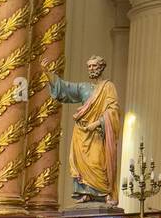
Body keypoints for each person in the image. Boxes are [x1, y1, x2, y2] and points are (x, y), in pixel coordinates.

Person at [49, 56, 122, 204]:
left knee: (97, 162)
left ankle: (103, 193)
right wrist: (48, 74)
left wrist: (97, 124)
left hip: (97, 133)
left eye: (94, 66)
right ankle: (85, 192)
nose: (91, 69)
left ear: (101, 68)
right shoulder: (83, 87)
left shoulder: (108, 87)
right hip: (81, 133)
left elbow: (113, 110)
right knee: (80, 164)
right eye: (89, 66)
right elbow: (64, 88)